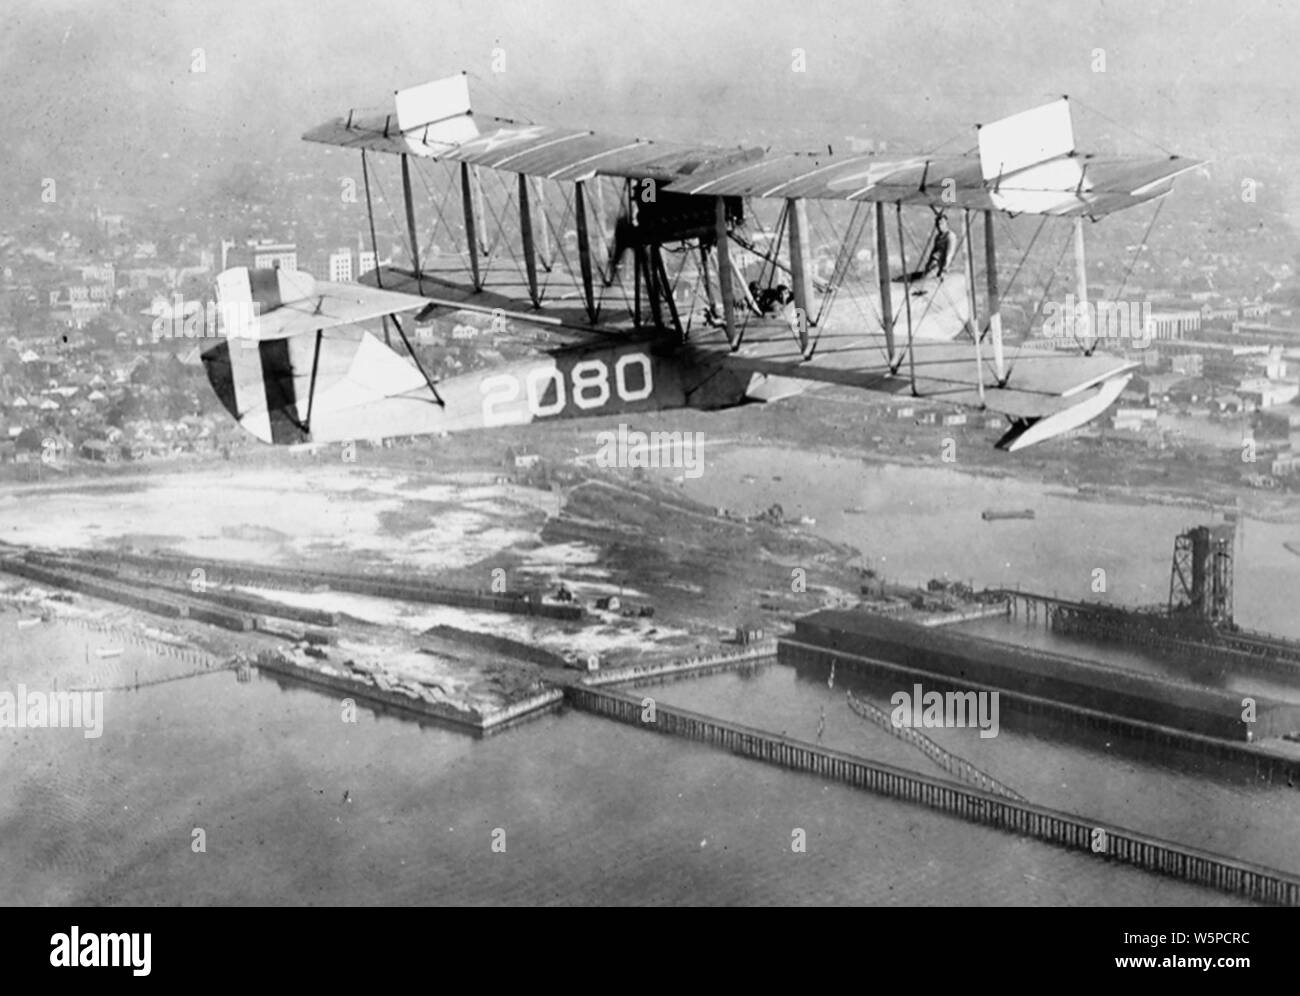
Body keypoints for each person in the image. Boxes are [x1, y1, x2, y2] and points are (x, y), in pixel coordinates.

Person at [922, 214, 953, 279]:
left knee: (927, 279)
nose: (939, 226)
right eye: (937, 224)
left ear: (946, 224)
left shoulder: (950, 236)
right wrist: (928, 263)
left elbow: (949, 253)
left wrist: (944, 269)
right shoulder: (938, 237)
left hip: (940, 265)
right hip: (933, 263)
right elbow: (934, 250)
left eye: (941, 223)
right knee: (924, 276)